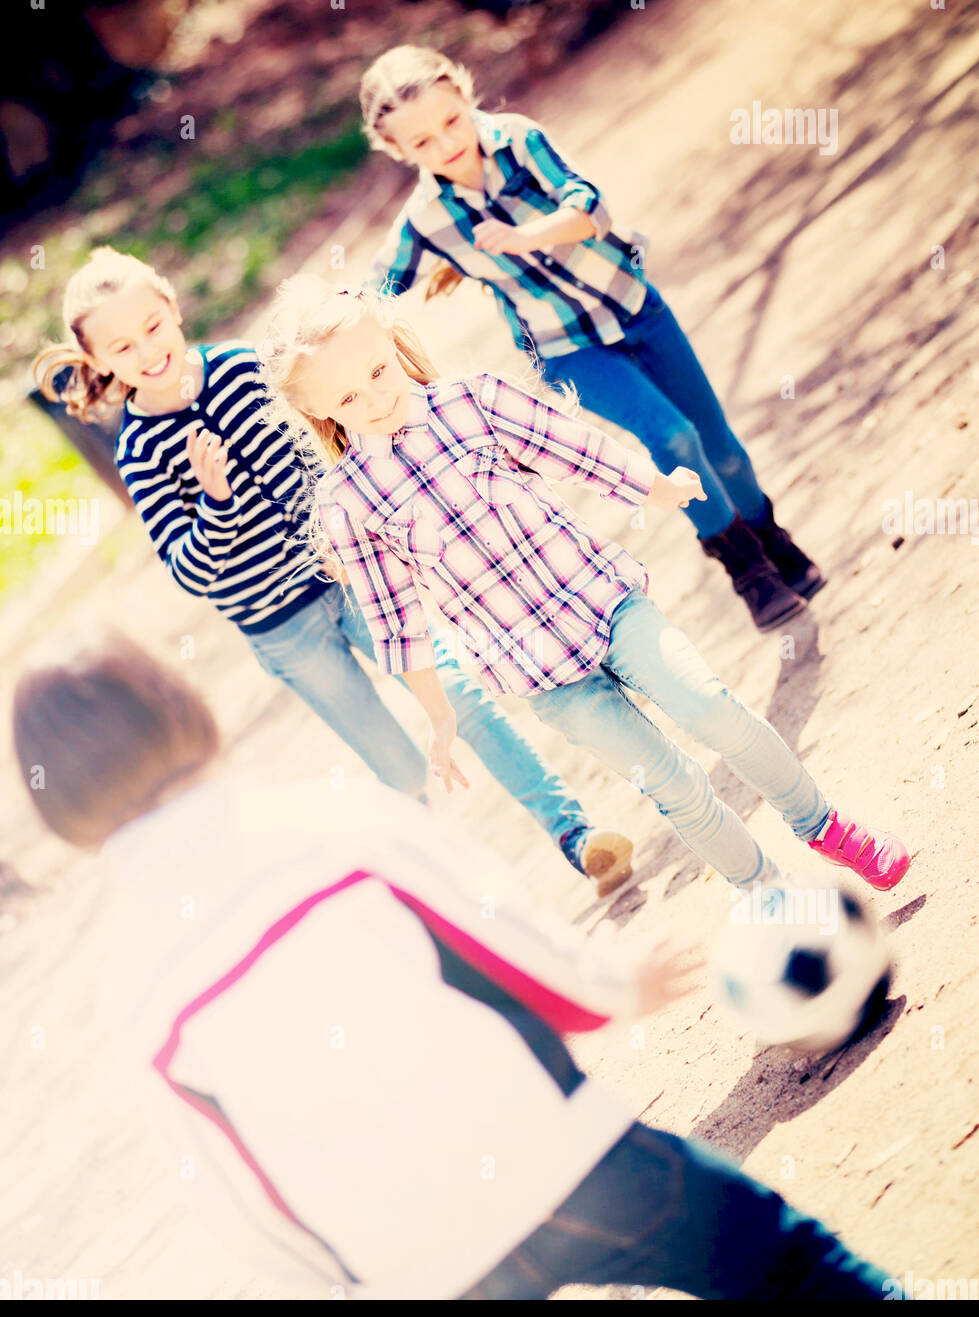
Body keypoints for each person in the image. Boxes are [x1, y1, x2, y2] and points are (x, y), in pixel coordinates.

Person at [12, 633, 904, 1300]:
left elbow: (229, 1192)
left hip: (424, 1269)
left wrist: (347, 1286)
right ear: (182, 708)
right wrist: (609, 992)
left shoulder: (127, 989)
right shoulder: (328, 824)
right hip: (559, 1160)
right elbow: (492, 930)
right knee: (787, 1269)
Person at [259, 276, 910, 896]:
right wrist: (436, 715)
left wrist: (655, 488)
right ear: (313, 410)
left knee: (709, 707)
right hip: (541, 675)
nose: (374, 399)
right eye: (347, 398)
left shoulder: (472, 401)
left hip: (605, 602)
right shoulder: (346, 505)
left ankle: (824, 826)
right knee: (669, 783)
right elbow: (394, 618)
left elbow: (571, 448)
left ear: (391, 344)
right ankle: (770, 895)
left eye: (377, 372)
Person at [30, 246, 634, 898]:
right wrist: (216, 501)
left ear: (173, 308)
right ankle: (452, 900)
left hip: (353, 579)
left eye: (152, 326)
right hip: (282, 629)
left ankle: (574, 834)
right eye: (121, 348)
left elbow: (328, 444)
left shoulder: (245, 367)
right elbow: (190, 572)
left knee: (458, 696)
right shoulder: (141, 452)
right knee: (396, 767)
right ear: (98, 364)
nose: (148, 352)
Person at [360, 44, 823, 633]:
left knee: (718, 442)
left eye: (451, 121)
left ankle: (772, 540)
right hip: (566, 348)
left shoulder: (519, 140)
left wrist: (519, 238)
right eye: (422, 142)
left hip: (636, 308)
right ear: (397, 151)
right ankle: (749, 574)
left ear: (463, 93)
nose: (447, 144)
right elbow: (374, 295)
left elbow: (591, 207)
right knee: (674, 438)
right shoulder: (425, 219)